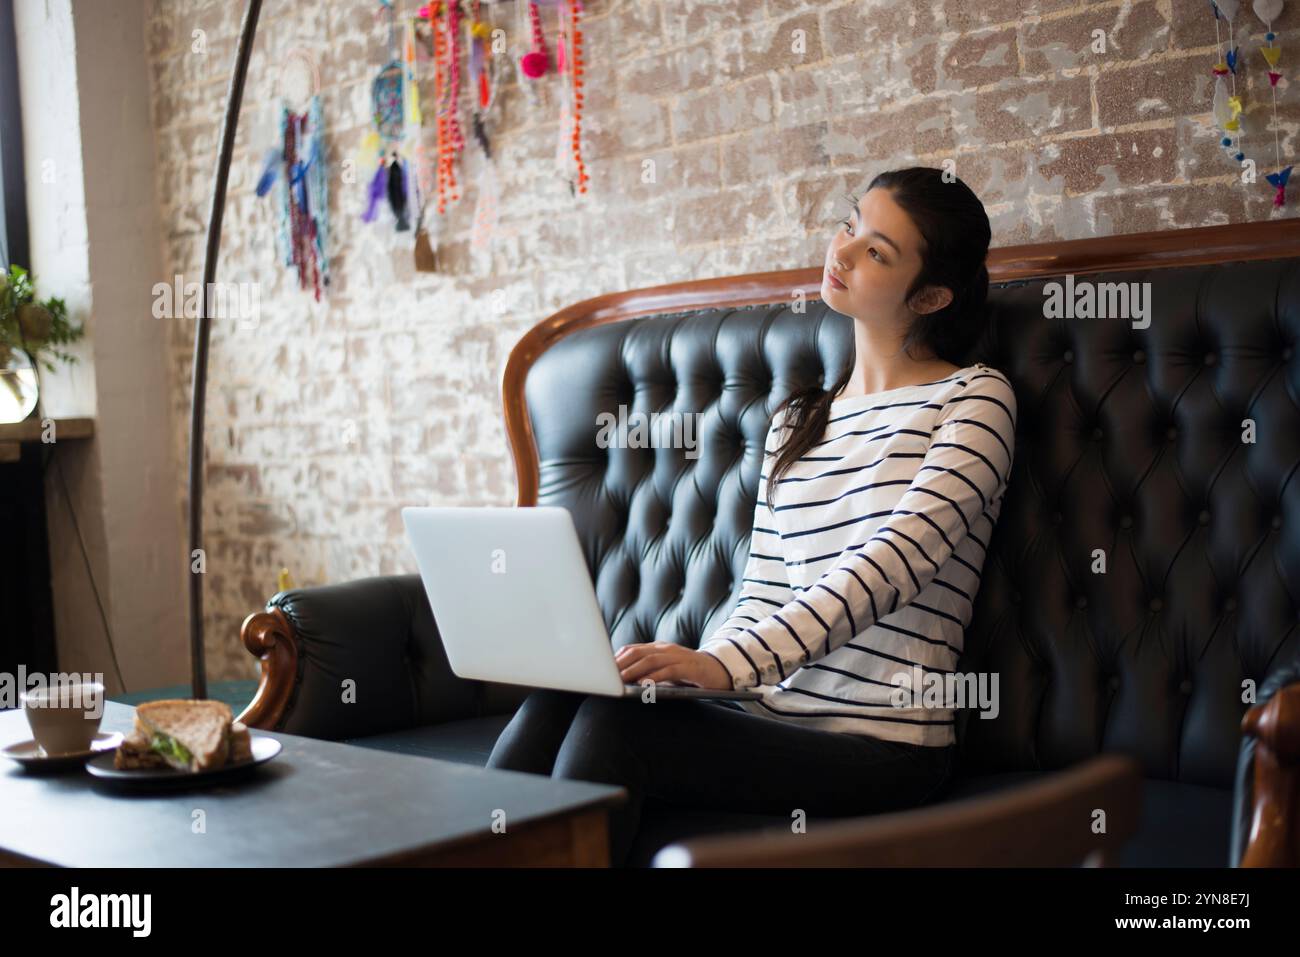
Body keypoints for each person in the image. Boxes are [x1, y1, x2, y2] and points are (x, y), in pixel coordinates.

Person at [486, 166, 1018, 867]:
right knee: (564, 701)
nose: (843, 251)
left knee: (617, 731)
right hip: (770, 714)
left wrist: (723, 665)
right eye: (851, 225)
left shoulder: (974, 400)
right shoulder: (800, 417)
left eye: (878, 252)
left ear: (932, 294)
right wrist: (688, 672)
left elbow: (892, 563)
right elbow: (764, 585)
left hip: (882, 742)